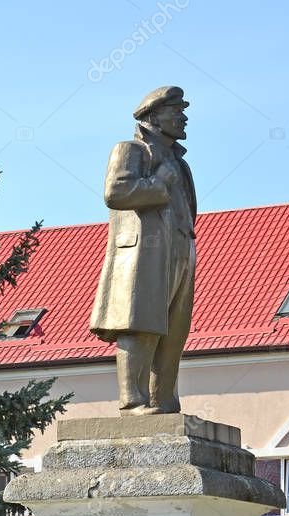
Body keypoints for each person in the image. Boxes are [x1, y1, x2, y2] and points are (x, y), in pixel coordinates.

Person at [89, 86, 197, 415]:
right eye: (175, 112)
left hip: (178, 247)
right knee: (141, 322)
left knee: (174, 329)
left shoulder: (180, 163)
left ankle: (163, 399)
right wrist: (159, 184)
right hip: (143, 251)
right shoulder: (131, 150)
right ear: (153, 116)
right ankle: (133, 400)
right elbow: (116, 192)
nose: (183, 117)